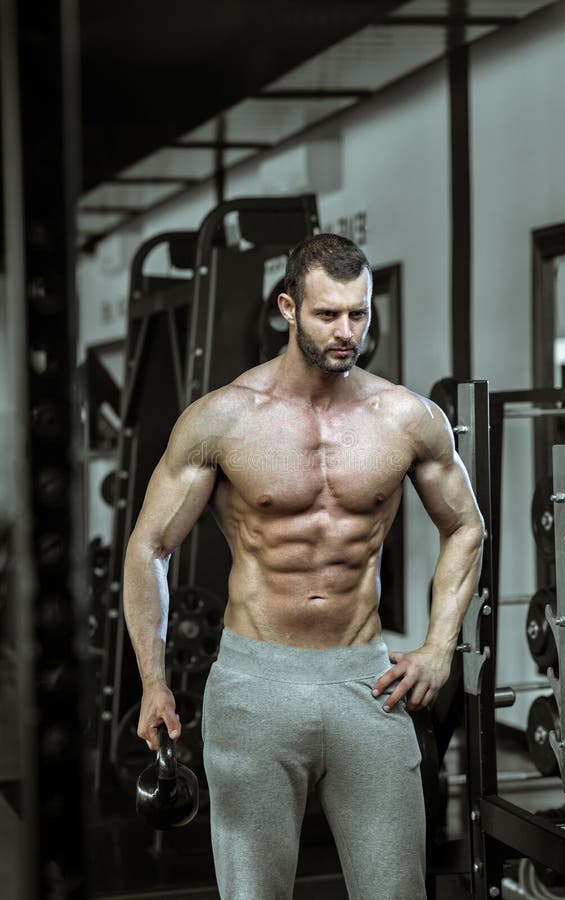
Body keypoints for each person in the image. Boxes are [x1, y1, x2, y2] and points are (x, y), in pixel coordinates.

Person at [123, 233, 484, 900]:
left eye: (359, 314)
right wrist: (153, 680)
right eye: (327, 315)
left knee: (396, 889)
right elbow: (148, 548)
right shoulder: (222, 420)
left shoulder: (406, 418)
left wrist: (439, 647)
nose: (346, 332)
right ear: (287, 308)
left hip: (366, 683)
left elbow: (464, 527)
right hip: (255, 687)